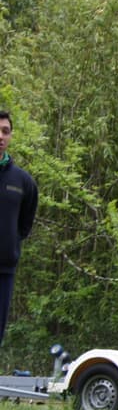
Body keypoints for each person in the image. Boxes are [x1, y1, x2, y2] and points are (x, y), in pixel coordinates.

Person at [0, 110, 38, 348]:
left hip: (3, 271)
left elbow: (25, 224)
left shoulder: (23, 182)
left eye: (5, 131)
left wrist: (11, 242)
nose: (1, 136)